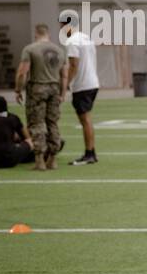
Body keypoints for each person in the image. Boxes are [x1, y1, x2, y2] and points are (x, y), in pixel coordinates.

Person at [14, 24, 68, 171]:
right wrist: (63, 94)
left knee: (36, 123)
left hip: (37, 88)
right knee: (52, 123)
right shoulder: (59, 50)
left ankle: (39, 160)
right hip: (54, 88)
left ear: (36, 34)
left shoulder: (30, 49)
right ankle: (52, 159)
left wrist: (18, 90)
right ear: (48, 34)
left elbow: (22, 73)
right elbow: (64, 76)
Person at [63, 20, 101, 165]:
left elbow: (73, 65)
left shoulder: (72, 41)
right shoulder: (87, 38)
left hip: (82, 85)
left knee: (85, 120)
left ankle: (90, 153)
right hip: (92, 82)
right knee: (86, 119)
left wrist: (66, 84)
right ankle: (91, 152)